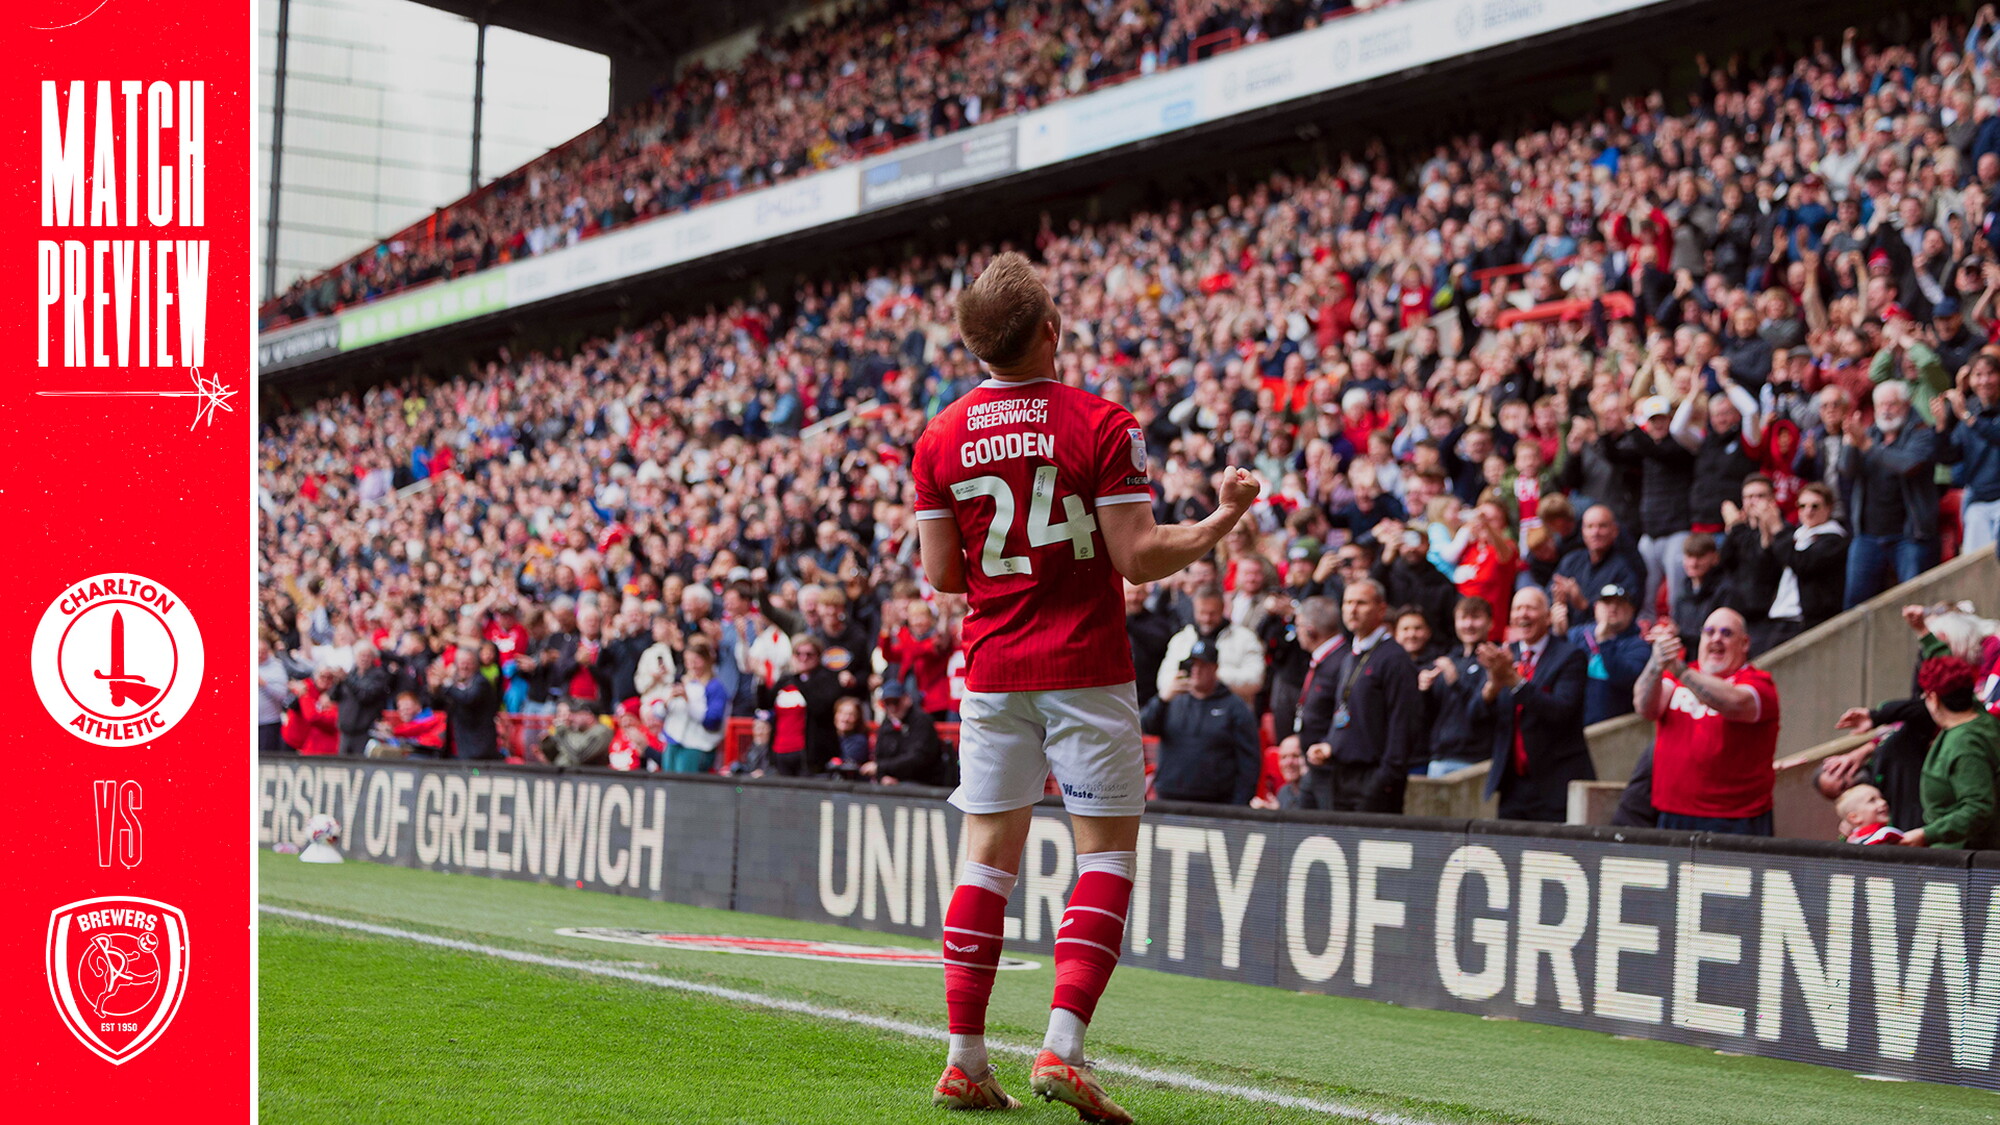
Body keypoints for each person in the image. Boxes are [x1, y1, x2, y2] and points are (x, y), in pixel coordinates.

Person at [912, 251, 1256, 1118]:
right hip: (1086, 662)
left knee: (986, 857)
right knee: (1102, 853)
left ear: (971, 341)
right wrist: (1221, 518)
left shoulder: (939, 436)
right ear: (1053, 329)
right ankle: (1062, 1048)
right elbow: (1137, 554)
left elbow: (944, 576)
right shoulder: (1100, 421)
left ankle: (963, 1058)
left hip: (993, 666)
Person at [1634, 608, 1780, 835]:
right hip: (1673, 813)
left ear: (1744, 643)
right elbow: (1645, 708)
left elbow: (1733, 702)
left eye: (1726, 633)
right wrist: (1655, 663)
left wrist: (1680, 672)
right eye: (1709, 632)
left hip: (1735, 819)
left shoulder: (1759, 683)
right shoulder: (1678, 675)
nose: (1716, 640)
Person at [1302, 578, 1420, 812]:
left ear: (1381, 609)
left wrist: (1384, 778)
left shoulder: (1395, 660)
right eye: (1347, 603)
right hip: (1341, 775)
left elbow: (1403, 725)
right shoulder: (1349, 656)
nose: (1352, 609)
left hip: (1374, 780)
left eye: (1361, 603)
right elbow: (1347, 711)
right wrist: (1330, 745)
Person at [1476, 587, 1592, 822]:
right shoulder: (1503, 655)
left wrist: (1513, 681)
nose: (1523, 614)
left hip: (1555, 785)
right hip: (1512, 786)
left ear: (1548, 616)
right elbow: (1474, 716)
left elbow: (1561, 710)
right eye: (1517, 608)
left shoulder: (1570, 656)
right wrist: (1493, 685)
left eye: (1530, 608)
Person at [1841, 381, 1940, 608]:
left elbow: (1908, 465)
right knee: (1854, 606)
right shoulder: (1870, 434)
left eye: (1892, 404)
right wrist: (1849, 442)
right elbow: (1847, 470)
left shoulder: (1921, 432)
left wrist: (1865, 445)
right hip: (1868, 536)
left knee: (1916, 605)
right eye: (1880, 405)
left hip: (1910, 537)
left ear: (1906, 405)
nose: (1886, 410)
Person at [1142, 639, 1261, 806]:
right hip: (1170, 797)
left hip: (1215, 802)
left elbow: (1249, 762)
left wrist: (1238, 805)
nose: (1196, 671)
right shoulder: (1172, 699)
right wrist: (1162, 699)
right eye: (1193, 665)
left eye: (1203, 665)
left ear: (1215, 668)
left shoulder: (1235, 707)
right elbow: (1147, 726)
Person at [1900, 656, 2000, 850]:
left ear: (1933, 698)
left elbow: (1978, 808)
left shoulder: (1965, 747)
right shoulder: (1981, 716)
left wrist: (1926, 834)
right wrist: (1924, 633)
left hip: (1964, 862)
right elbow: (1954, 680)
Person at [1421, 596, 1497, 776]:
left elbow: (1483, 708)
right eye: (1463, 618)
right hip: (1440, 757)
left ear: (1490, 623)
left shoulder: (1495, 659)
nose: (1469, 624)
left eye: (1476, 617)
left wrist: (1456, 683)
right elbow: (1430, 713)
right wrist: (1424, 690)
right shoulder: (1448, 659)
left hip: (1476, 760)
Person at [1155, 585, 1266, 708]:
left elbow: (1255, 680)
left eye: (1212, 613)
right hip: (1188, 713)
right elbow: (1163, 681)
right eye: (1202, 612)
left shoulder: (1245, 638)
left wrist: (1214, 676)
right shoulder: (1181, 639)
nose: (1207, 618)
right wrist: (1187, 681)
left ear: (1223, 609)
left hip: (1231, 713)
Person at [1937, 353, 2000, 552]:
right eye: (1978, 375)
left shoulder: (1968, 416)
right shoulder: (1968, 415)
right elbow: (1949, 456)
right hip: (1979, 500)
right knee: (1975, 561)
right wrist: (1940, 427)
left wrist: (1967, 416)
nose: (1984, 381)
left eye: (1990, 374)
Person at [1568, 584, 1649, 726]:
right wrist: (1559, 634)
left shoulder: (1639, 646)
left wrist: (1605, 643)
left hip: (1613, 729)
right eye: (1607, 603)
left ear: (1631, 610)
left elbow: (1625, 677)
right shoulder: (1578, 635)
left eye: (1620, 603)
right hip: (1575, 728)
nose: (1613, 608)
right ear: (1596, 608)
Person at [1550, 505, 1645, 617]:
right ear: (1583, 532)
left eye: (1602, 526)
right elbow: (1548, 595)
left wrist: (1584, 604)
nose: (1595, 532)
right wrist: (1557, 601)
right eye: (1590, 527)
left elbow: (1626, 612)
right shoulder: (1571, 561)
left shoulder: (1626, 567)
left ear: (1615, 531)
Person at [864, 679, 953, 787]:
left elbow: (918, 759)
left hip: (922, 781)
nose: (892, 708)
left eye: (896, 702)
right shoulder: (887, 723)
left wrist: (881, 767)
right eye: (887, 703)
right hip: (892, 780)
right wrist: (882, 776)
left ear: (907, 699)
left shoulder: (922, 721)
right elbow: (880, 755)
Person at [661, 635, 729, 773]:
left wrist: (688, 701)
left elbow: (712, 721)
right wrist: (667, 702)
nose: (692, 665)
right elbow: (660, 712)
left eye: (696, 661)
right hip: (674, 741)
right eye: (688, 661)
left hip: (698, 746)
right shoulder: (683, 681)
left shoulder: (715, 687)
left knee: (686, 787)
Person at [431, 648, 501, 760]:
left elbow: (467, 698)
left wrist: (446, 683)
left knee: (476, 775)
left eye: (469, 663)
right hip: (456, 747)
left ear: (476, 664)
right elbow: (438, 704)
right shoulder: (454, 684)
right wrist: (435, 689)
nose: (464, 667)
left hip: (477, 749)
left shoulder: (481, 682)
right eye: (461, 663)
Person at [327, 644, 392, 757]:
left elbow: (365, 696)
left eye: (368, 656)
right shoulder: (352, 673)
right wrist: (337, 682)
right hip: (345, 732)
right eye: (361, 655)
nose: (364, 658)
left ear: (373, 658)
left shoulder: (378, 675)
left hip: (363, 732)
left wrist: (347, 679)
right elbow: (333, 697)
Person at [538, 698, 613, 768]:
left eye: (577, 714)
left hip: (591, 778)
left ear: (589, 716)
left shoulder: (602, 732)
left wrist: (562, 733)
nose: (571, 717)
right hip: (566, 777)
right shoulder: (576, 730)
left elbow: (579, 757)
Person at [1835, 784, 1906, 845]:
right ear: (1855, 817)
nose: (1883, 802)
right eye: (1872, 800)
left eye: (1881, 798)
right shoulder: (1885, 835)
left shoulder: (1889, 834)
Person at [1252, 738, 1309, 809]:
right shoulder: (1283, 792)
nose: (1288, 763)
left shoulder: (1316, 791)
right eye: (1283, 757)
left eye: (1295, 756)